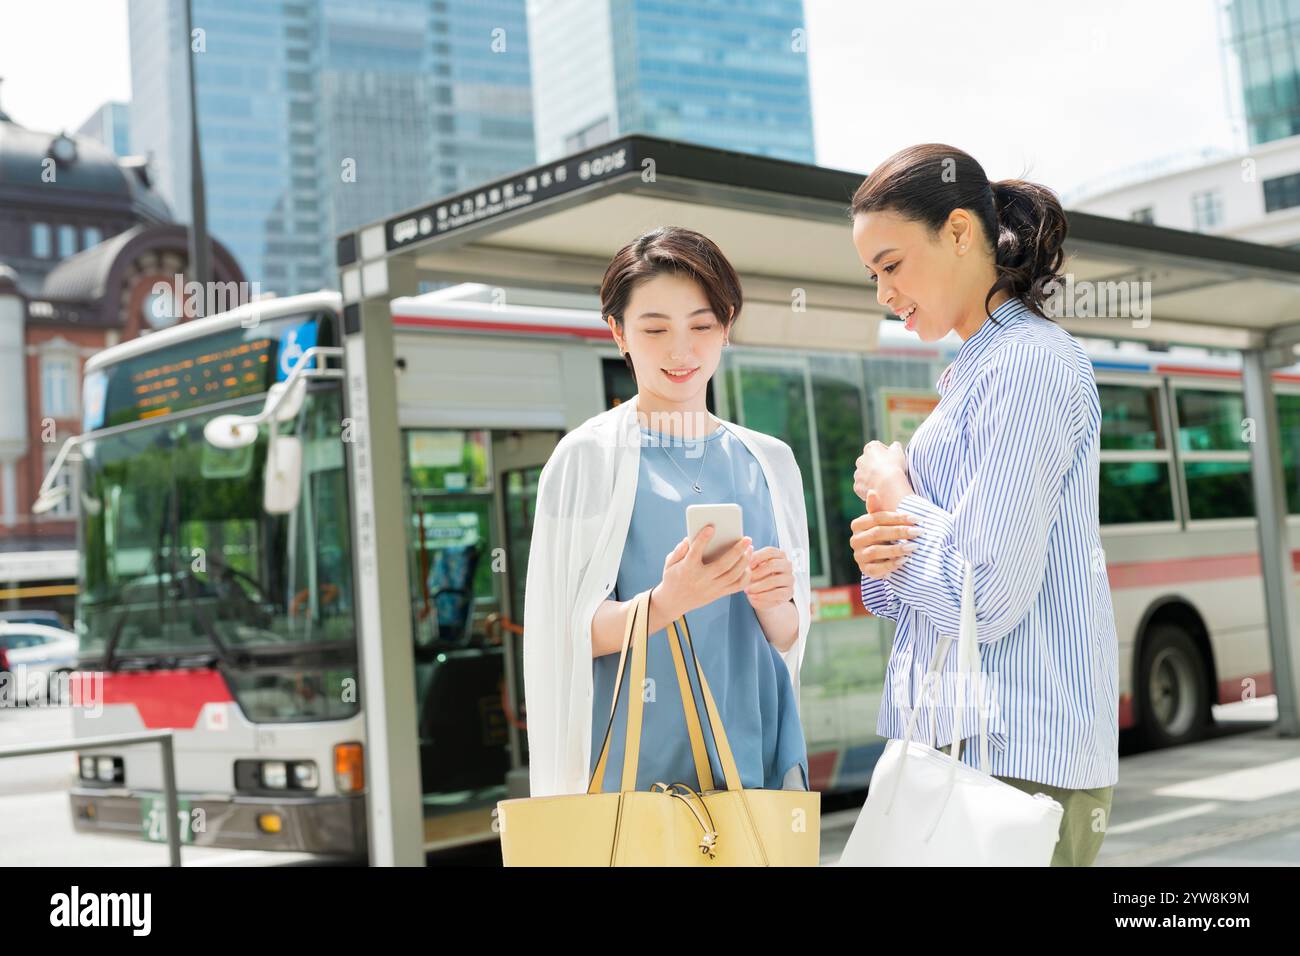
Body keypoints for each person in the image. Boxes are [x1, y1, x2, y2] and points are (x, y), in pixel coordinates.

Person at [846, 144, 1119, 866]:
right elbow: (928, 591)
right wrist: (883, 548)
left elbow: (988, 596)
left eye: (892, 265)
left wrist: (892, 495)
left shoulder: (1027, 364)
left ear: (960, 232)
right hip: (975, 750)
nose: (884, 293)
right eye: (874, 274)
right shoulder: (979, 375)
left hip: (1015, 758)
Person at [522, 226, 813, 800]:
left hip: (755, 763)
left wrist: (774, 600)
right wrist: (666, 603)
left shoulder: (770, 460)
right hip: (636, 775)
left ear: (726, 327)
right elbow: (560, 636)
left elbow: (786, 636)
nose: (681, 351)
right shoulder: (585, 458)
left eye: (702, 325)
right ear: (618, 333)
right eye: (655, 329)